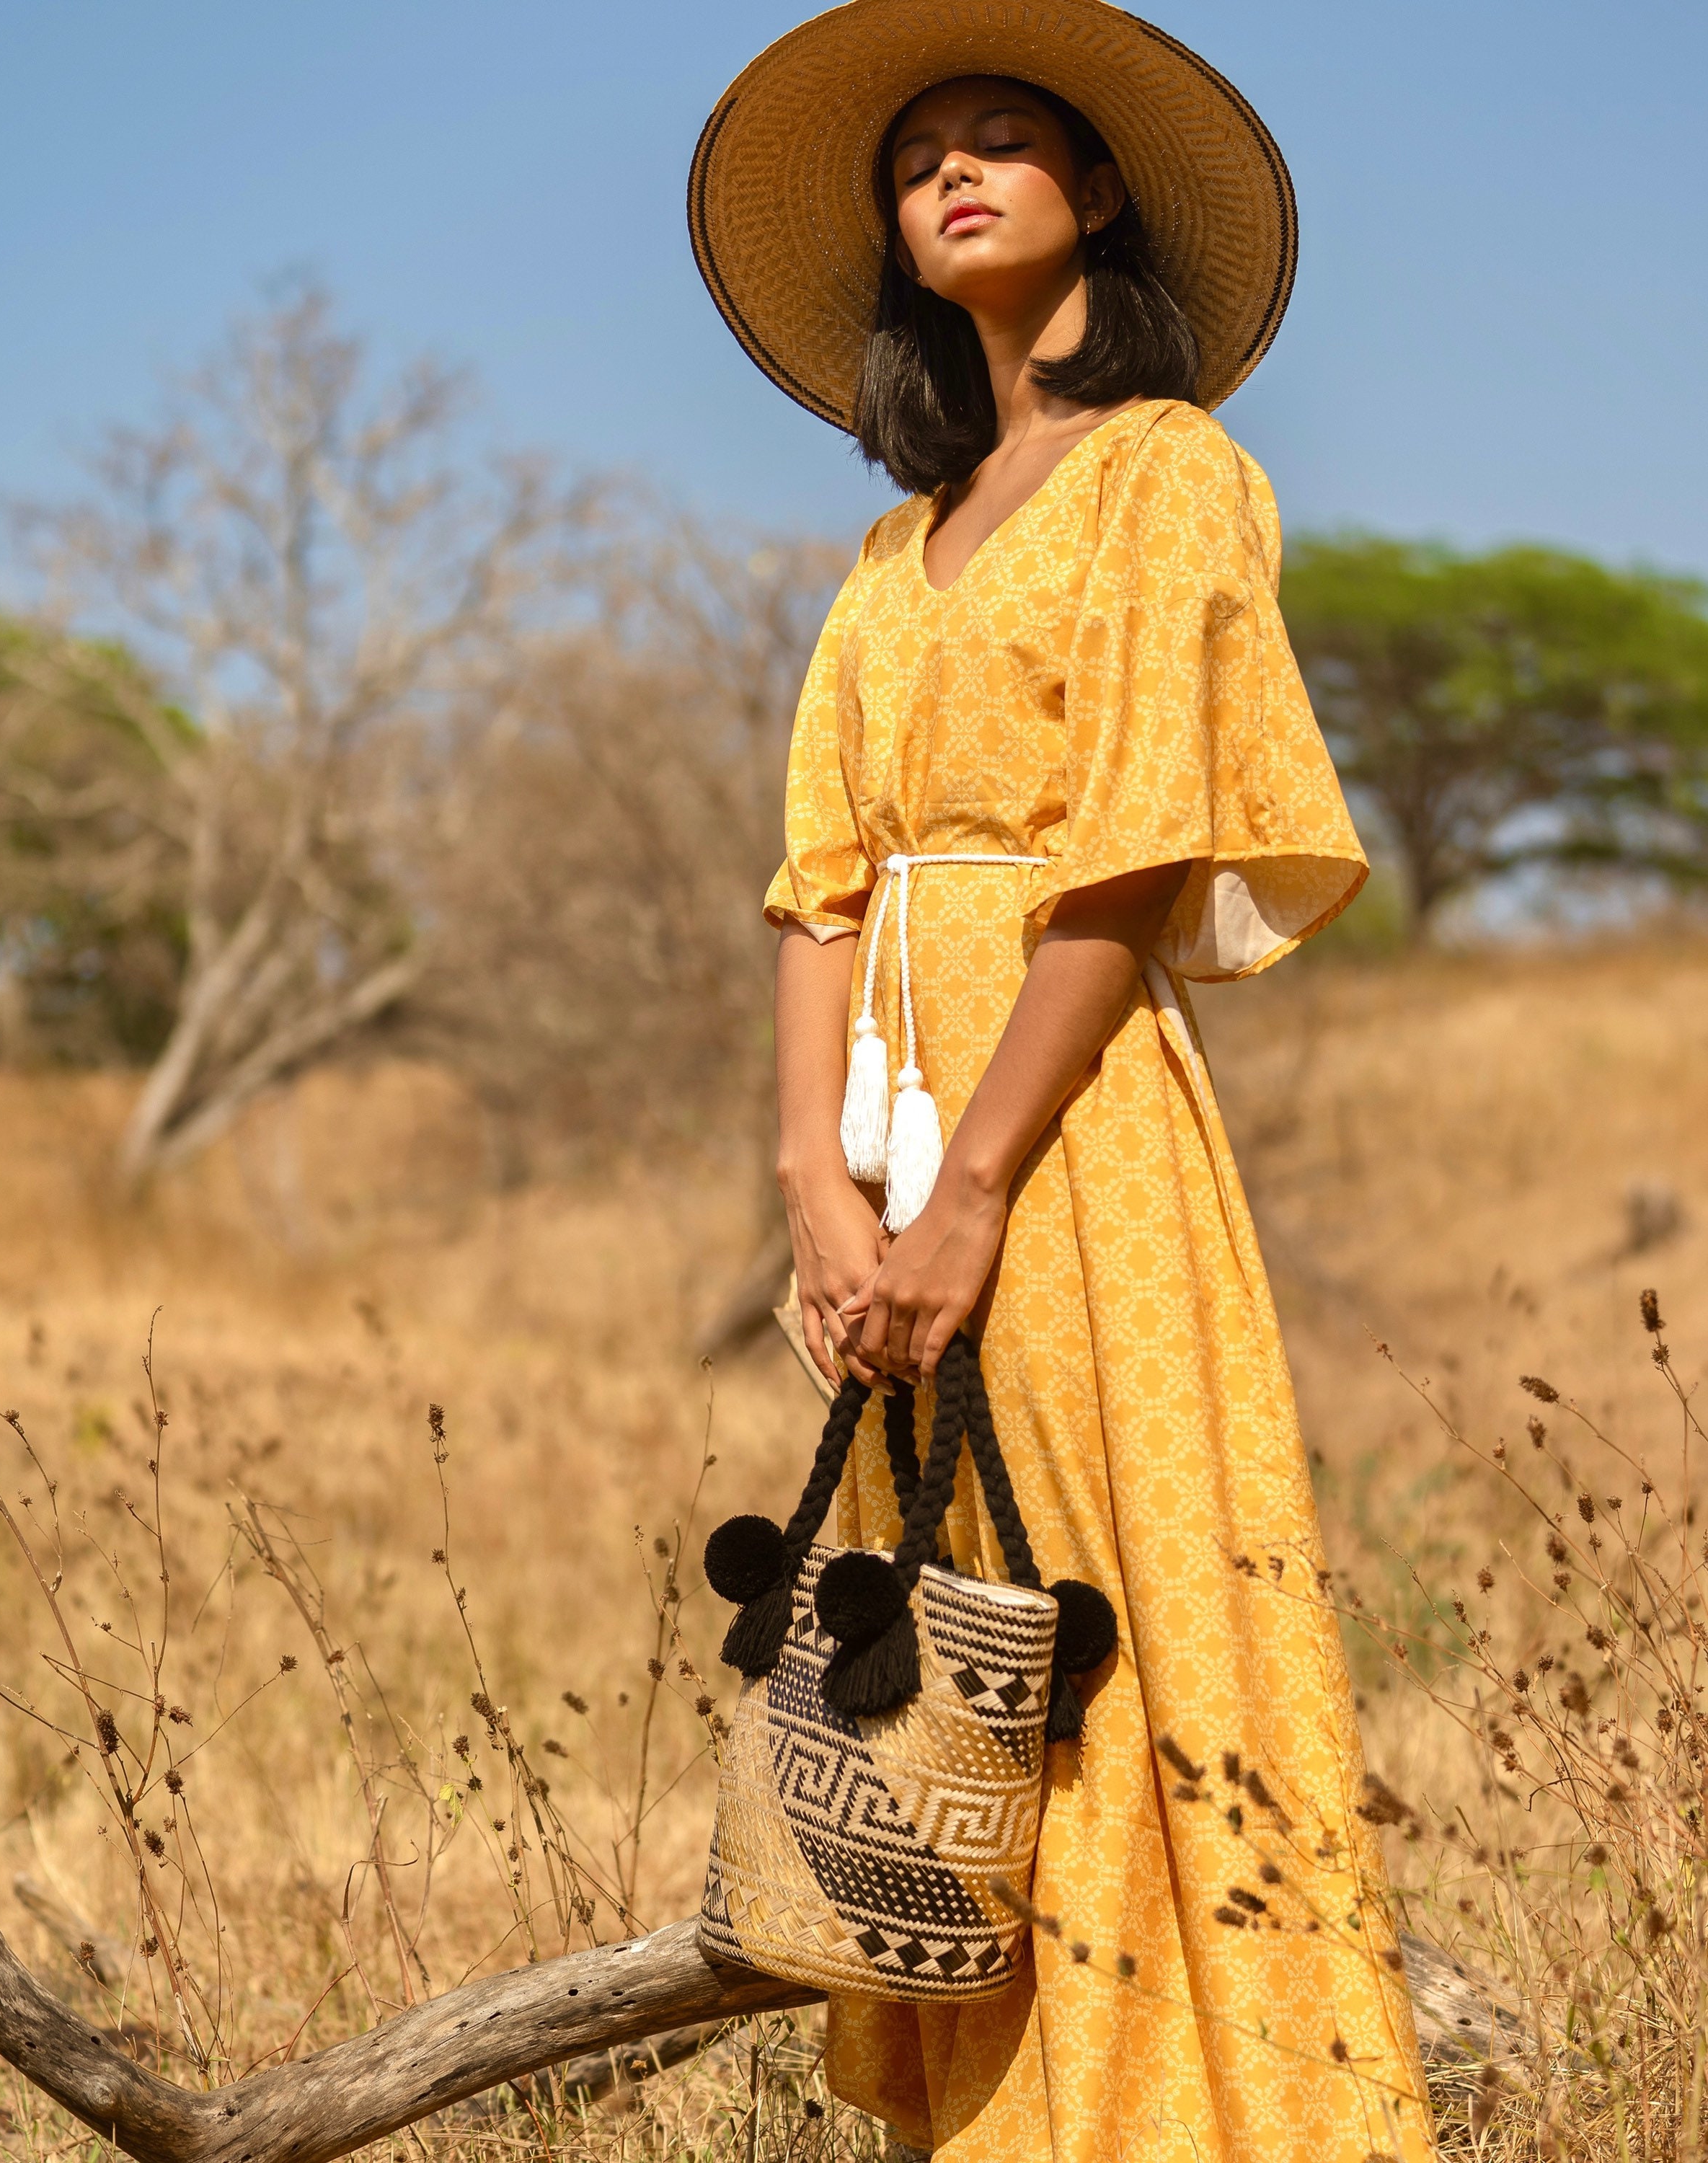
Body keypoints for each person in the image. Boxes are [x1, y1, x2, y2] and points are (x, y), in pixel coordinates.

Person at [690, 6, 1435, 2159]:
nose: (956, 172)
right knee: (945, 1630)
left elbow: (1128, 858)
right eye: (920, 155)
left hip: (1065, 1133)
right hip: (887, 1141)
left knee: (1112, 1590)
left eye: (1005, 138)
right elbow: (818, 895)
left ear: (1096, 193)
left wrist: (976, 1188)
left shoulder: (1166, 474)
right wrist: (821, 1195)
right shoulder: (881, 558)